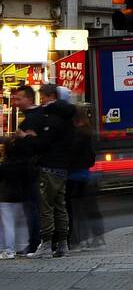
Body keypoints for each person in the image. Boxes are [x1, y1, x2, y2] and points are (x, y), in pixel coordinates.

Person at [20, 83, 77, 257]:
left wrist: (27, 138)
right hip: (62, 167)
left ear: (51, 96)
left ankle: (45, 245)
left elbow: (44, 143)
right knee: (60, 206)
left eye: (43, 96)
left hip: (50, 166)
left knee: (46, 207)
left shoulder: (52, 119)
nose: (41, 100)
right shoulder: (66, 117)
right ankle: (62, 244)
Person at [9, 86, 42, 253]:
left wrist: (23, 138)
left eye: (19, 98)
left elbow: (36, 144)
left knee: (33, 207)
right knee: (31, 207)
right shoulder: (30, 117)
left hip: (31, 169)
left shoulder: (34, 118)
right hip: (29, 169)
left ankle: (35, 243)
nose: (15, 102)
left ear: (29, 99)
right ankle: (34, 242)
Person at [67, 105, 105, 249]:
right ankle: (97, 237)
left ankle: (78, 240)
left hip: (75, 175)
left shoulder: (77, 135)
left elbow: (74, 155)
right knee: (89, 208)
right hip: (87, 175)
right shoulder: (89, 132)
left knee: (76, 210)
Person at [0, 132, 30, 257]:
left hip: (6, 197)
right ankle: (22, 247)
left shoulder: (5, 165)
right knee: (21, 223)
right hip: (22, 196)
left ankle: (9, 249)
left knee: (7, 224)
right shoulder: (25, 163)